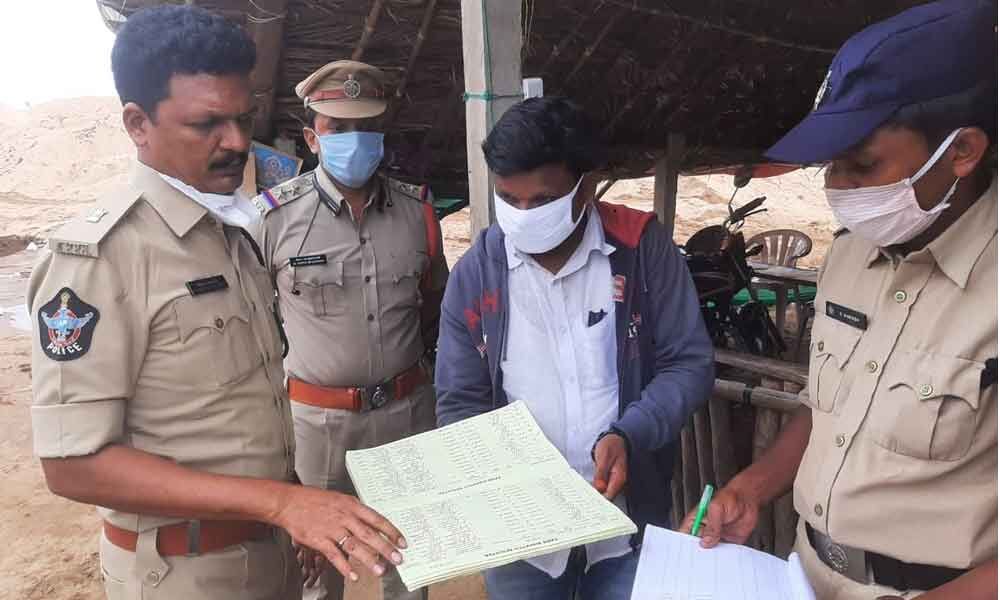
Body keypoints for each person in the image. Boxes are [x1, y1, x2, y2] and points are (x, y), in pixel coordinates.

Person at [27, 7, 407, 599]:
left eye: (242, 119)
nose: (235, 142)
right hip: (184, 575)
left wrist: (290, 507)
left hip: (267, 553)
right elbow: (72, 464)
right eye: (206, 124)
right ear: (137, 123)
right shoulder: (101, 259)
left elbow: (242, 413)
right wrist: (283, 502)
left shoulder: (230, 231)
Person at [680, 1, 997, 599]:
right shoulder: (851, 255)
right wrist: (753, 486)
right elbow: (831, 412)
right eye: (831, 166)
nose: (837, 189)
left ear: (962, 152)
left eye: (862, 165)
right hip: (803, 576)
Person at [435, 96, 715, 599]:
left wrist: (630, 434)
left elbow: (688, 364)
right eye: (508, 199)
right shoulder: (477, 275)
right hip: (522, 537)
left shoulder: (642, 250)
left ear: (586, 186)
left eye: (541, 201)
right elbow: (459, 402)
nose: (522, 216)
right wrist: (489, 475)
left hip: (628, 523)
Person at [252, 59, 448, 600]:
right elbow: (257, 332)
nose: (353, 140)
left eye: (367, 127)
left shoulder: (418, 214)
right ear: (312, 137)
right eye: (339, 128)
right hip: (316, 427)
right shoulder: (271, 219)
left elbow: (436, 309)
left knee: (410, 559)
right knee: (316, 571)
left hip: (408, 415)